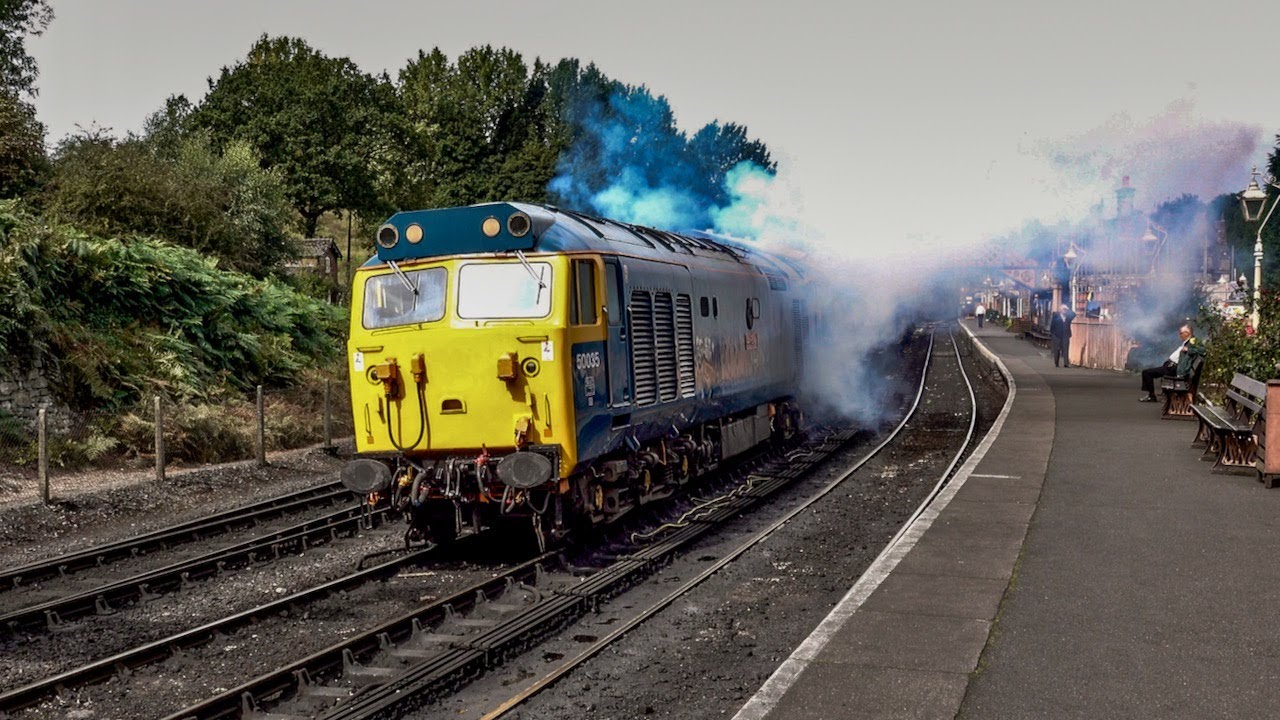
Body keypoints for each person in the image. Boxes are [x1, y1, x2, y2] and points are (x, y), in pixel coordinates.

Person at [1140, 324, 1206, 402]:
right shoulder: (1187, 342)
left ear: (1187, 333)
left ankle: (1151, 396)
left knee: (1147, 373)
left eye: (1181, 333)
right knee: (1147, 372)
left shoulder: (1193, 341)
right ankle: (1153, 395)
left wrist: (1188, 350)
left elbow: (1203, 351)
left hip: (1174, 368)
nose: (1180, 335)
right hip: (1170, 366)